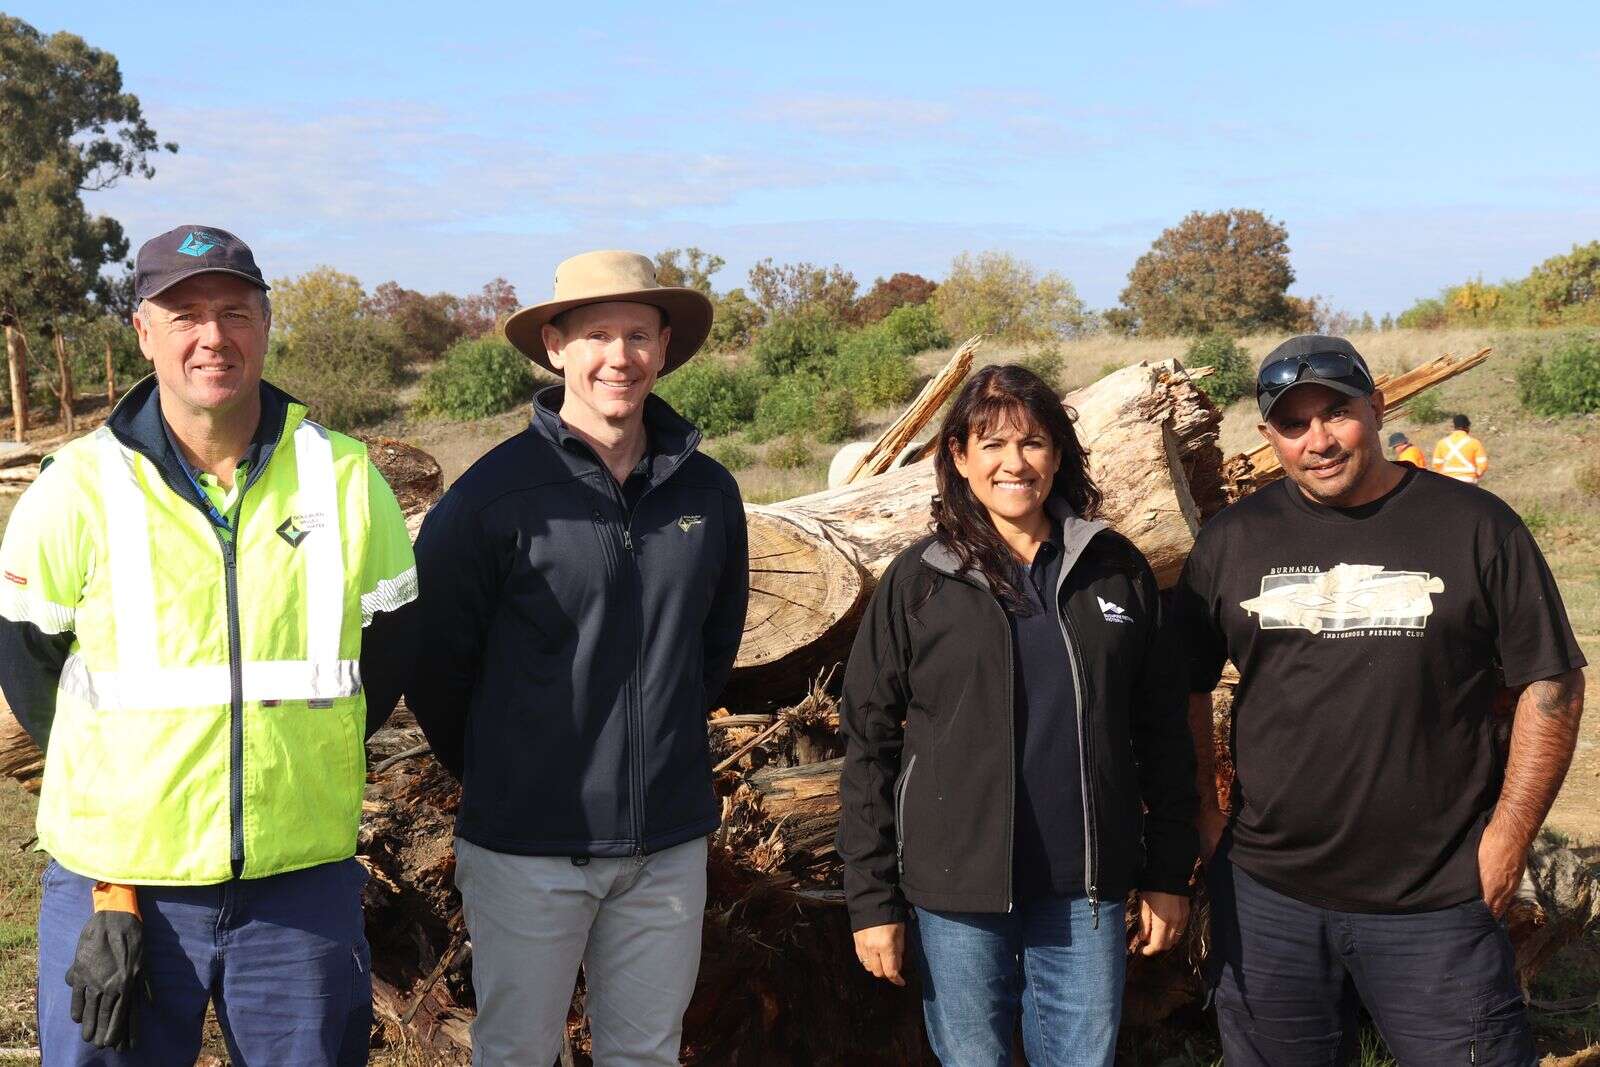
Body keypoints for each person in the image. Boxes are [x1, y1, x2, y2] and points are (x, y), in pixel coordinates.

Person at [0, 225, 420, 1065]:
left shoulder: (344, 476)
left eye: (234, 311)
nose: (212, 336)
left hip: (298, 889)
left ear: (265, 324)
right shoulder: (74, 485)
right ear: (142, 331)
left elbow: (388, 652)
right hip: (120, 891)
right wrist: (117, 856)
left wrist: (291, 761)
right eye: (184, 313)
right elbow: (30, 667)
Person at [1176, 335, 1586, 1065]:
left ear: (1379, 404)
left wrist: (1510, 835)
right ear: (1269, 437)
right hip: (1271, 899)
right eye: (1294, 424)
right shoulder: (1232, 540)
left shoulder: (1476, 527)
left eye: (1336, 412)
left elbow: (1551, 680)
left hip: (1438, 898)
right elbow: (1182, 681)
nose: (1319, 439)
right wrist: (1207, 813)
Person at [407, 250, 749, 1066]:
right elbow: (436, 669)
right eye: (597, 334)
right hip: (529, 850)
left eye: (638, 335)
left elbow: (711, 651)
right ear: (555, 346)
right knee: (519, 1052)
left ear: (665, 348)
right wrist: (514, 768)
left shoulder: (708, 493)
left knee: (647, 1053)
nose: (618, 357)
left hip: (666, 847)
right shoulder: (490, 499)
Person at [837, 364, 1198, 1067]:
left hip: (1083, 892)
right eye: (991, 444)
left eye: (1032, 442)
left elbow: (1163, 729)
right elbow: (868, 744)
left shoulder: (1113, 568)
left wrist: (1168, 868)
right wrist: (872, 900)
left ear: (1058, 455)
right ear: (959, 458)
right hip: (956, 895)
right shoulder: (920, 580)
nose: (1014, 462)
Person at [1433, 413, 1489, 482]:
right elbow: (1483, 464)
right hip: (1468, 481)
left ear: (1454, 426)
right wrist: (1476, 475)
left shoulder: (1442, 443)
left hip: (1448, 482)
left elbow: (1436, 464)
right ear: (1467, 427)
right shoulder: (1474, 443)